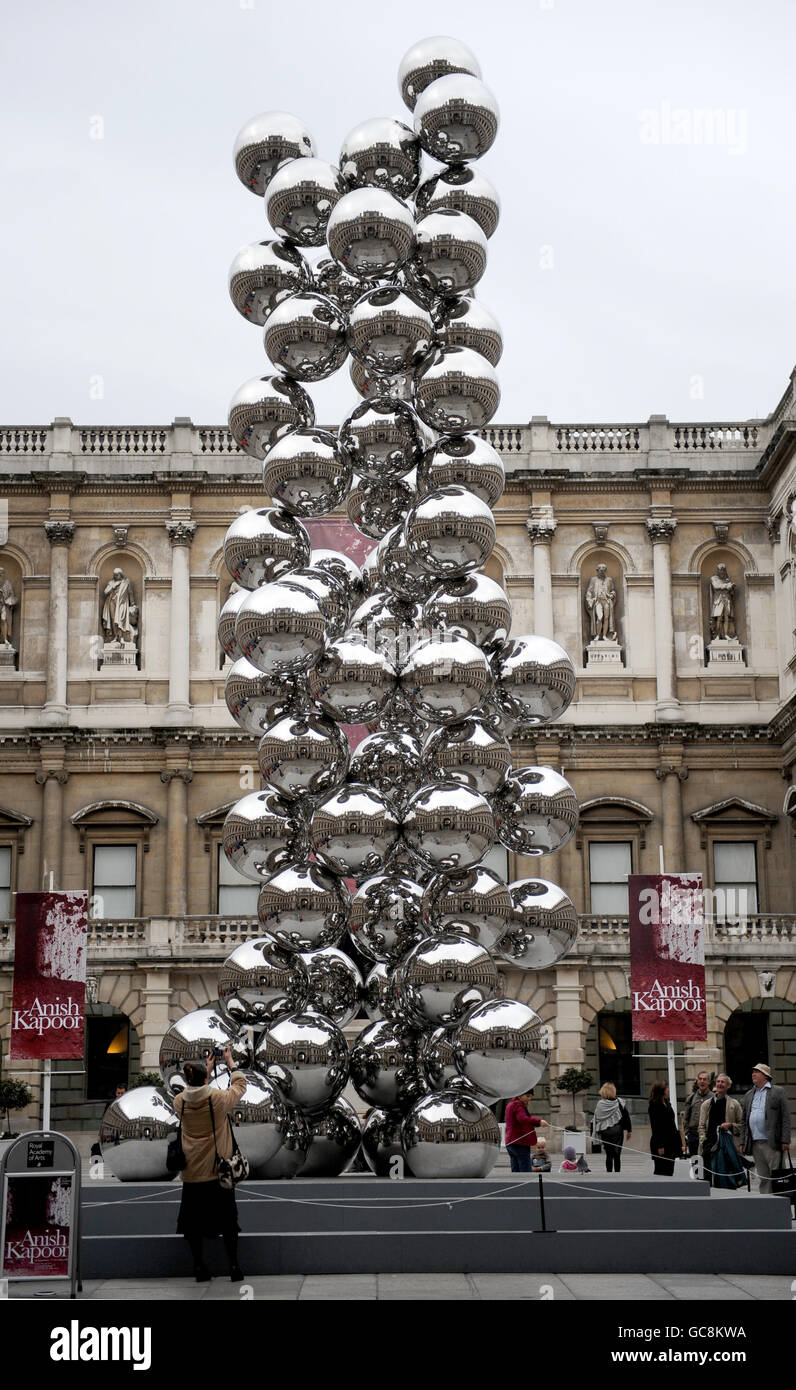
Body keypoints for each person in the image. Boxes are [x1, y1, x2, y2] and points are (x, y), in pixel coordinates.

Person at [173, 1046, 247, 1282]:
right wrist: (230, 1061)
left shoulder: (179, 1102)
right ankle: (234, 1267)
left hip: (192, 1173)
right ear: (205, 1079)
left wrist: (206, 1070)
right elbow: (240, 1087)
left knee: (193, 1224)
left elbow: (195, 1091)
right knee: (228, 1222)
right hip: (218, 1171)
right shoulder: (217, 1099)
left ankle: (199, 1268)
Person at [740, 1063, 792, 1195]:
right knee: (763, 1176)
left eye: (757, 1072)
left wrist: (785, 1140)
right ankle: (766, 1202)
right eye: (753, 1072)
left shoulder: (778, 1091)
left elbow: (785, 1117)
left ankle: (779, 1202)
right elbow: (744, 1121)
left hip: (772, 1142)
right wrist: (742, 1142)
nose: (753, 1074)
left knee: (777, 1175)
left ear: (766, 1076)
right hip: (756, 1142)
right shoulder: (749, 1094)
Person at [698, 1073, 742, 1186]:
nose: (720, 1084)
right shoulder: (706, 1105)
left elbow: (742, 1126)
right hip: (709, 1147)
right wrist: (703, 1140)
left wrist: (730, 1125)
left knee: (726, 1181)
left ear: (728, 1086)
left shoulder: (734, 1104)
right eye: (718, 1081)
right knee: (706, 1180)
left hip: (726, 1148)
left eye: (723, 1082)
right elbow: (701, 1126)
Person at [591, 1082, 632, 1173]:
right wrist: (629, 1131)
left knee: (608, 1155)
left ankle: (609, 1174)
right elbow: (626, 1117)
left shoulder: (600, 1104)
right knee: (617, 1155)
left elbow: (597, 1118)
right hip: (618, 1131)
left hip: (605, 1131)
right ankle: (617, 1174)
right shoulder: (620, 1102)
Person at [504, 1091, 549, 1173]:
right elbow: (522, 1119)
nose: (529, 1099)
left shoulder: (511, 1104)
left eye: (530, 1096)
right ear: (520, 1095)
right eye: (527, 1096)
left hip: (511, 1142)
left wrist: (538, 1123)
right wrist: (539, 1121)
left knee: (516, 1172)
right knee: (526, 1173)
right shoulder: (517, 1104)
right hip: (519, 1143)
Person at [648, 1081, 682, 1175]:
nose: (668, 1089)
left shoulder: (667, 1102)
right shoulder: (654, 1105)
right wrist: (660, 1146)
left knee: (670, 1169)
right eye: (667, 1088)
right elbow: (655, 1127)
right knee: (660, 1170)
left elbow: (671, 1122)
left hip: (671, 1142)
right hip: (661, 1142)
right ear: (661, 1090)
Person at [681, 1070, 713, 1157]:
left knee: (707, 1165)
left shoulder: (713, 1098)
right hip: (693, 1136)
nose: (702, 1081)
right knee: (695, 1165)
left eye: (704, 1079)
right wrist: (688, 1134)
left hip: (707, 1137)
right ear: (697, 1081)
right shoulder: (691, 1098)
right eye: (700, 1079)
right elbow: (686, 1118)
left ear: (709, 1082)